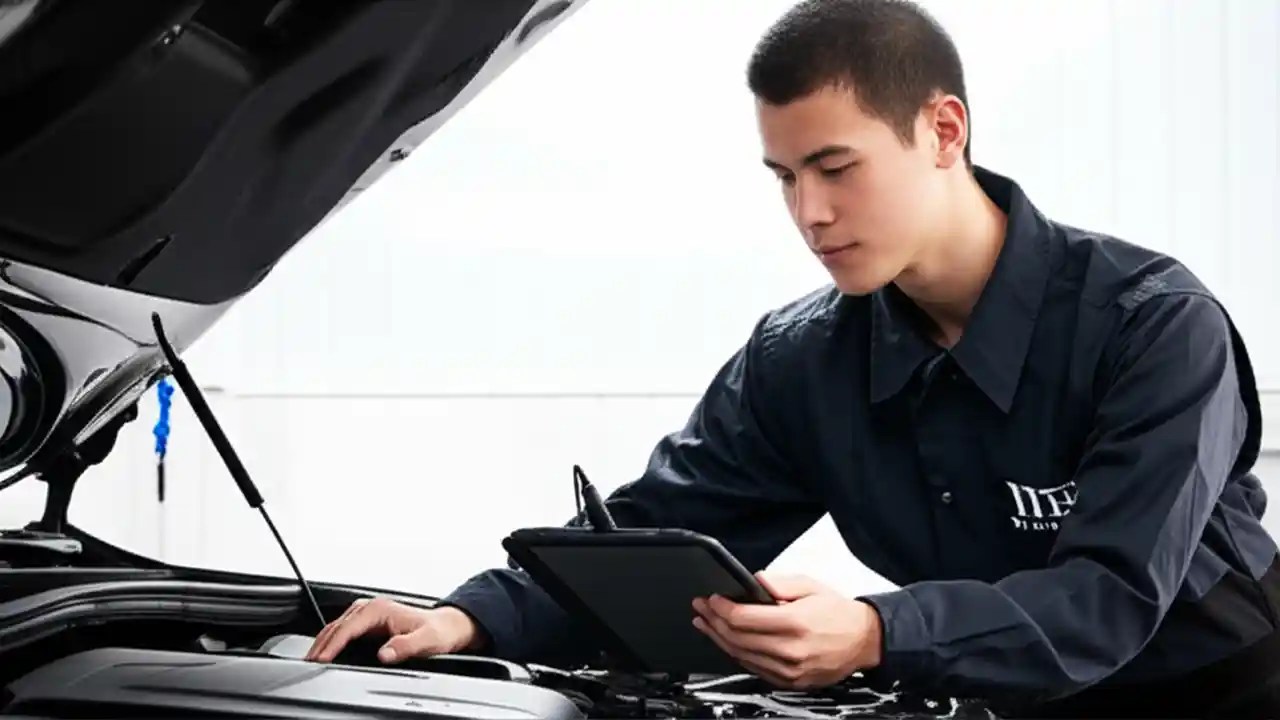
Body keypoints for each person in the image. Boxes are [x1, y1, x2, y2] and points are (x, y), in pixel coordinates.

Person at [305, 0, 1280, 715]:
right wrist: (469, 619)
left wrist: (874, 632)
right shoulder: (798, 361)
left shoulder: (1153, 326)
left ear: (943, 131)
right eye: (783, 176)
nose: (807, 215)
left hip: (1219, 689)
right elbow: (653, 532)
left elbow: (1105, 600)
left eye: (835, 168)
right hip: (990, 702)